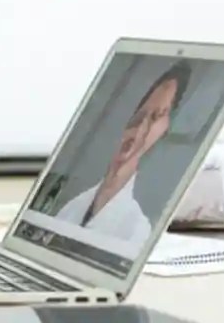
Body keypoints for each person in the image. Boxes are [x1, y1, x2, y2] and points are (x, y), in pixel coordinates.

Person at [54, 62, 191, 251]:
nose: (140, 128)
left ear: (165, 132)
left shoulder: (137, 229)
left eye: (155, 117)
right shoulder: (73, 207)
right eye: (140, 115)